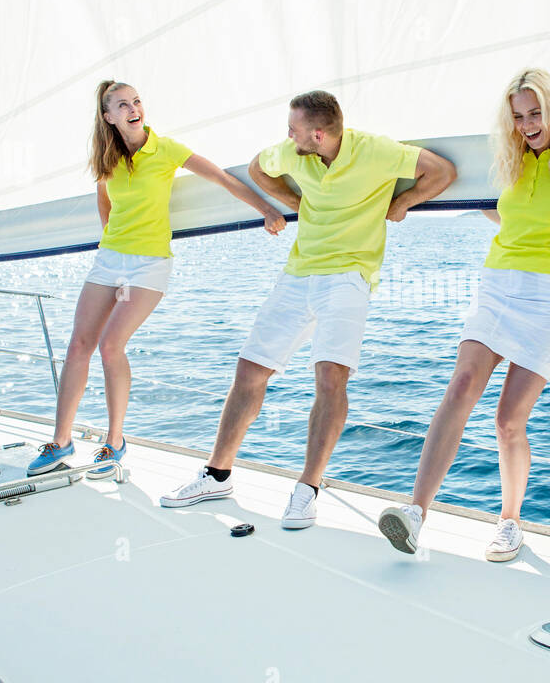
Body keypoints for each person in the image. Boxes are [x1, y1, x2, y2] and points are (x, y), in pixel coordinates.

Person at [161, 90, 457, 525]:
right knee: (250, 369)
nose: (288, 135)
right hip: (298, 272)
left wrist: (402, 203)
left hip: (350, 276)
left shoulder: (375, 151)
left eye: (293, 129)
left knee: (330, 379)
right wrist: (296, 202)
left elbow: (442, 171)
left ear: (318, 134)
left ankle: (307, 489)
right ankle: (217, 474)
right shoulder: (292, 153)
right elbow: (257, 168)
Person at [377, 69, 550, 561]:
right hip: (498, 282)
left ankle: (510, 523)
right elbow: (502, 212)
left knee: (508, 420)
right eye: (518, 116)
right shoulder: (510, 157)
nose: (527, 124)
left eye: (535, 113)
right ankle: (414, 513)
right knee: (460, 387)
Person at [28, 80, 285, 478]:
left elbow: (221, 178)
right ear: (108, 116)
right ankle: (61, 441)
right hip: (110, 259)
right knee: (79, 344)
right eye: (122, 105)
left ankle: (114, 441)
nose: (134, 109)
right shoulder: (106, 155)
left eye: (137, 102)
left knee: (111, 345)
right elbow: (104, 197)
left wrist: (266, 208)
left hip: (148, 265)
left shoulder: (165, 149)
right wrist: (110, 237)